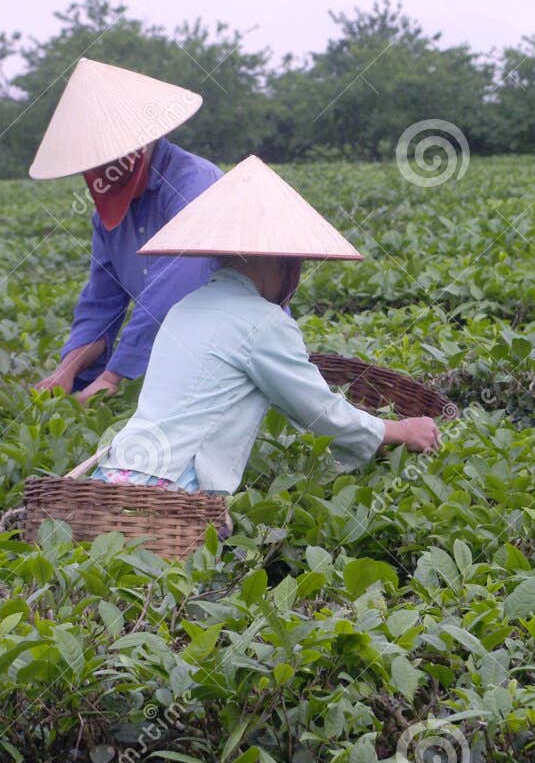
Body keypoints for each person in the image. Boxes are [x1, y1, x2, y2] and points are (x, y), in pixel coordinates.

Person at [93, 155, 440, 497]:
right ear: (280, 263)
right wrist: (401, 430)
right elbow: (320, 413)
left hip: (112, 474)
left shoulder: (185, 308)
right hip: (172, 490)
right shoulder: (263, 322)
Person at [28, 58, 221, 402]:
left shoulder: (193, 184)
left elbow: (174, 289)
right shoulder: (108, 213)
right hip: (167, 359)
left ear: (143, 141)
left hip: (226, 355)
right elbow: (102, 302)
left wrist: (114, 377)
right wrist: (68, 372)